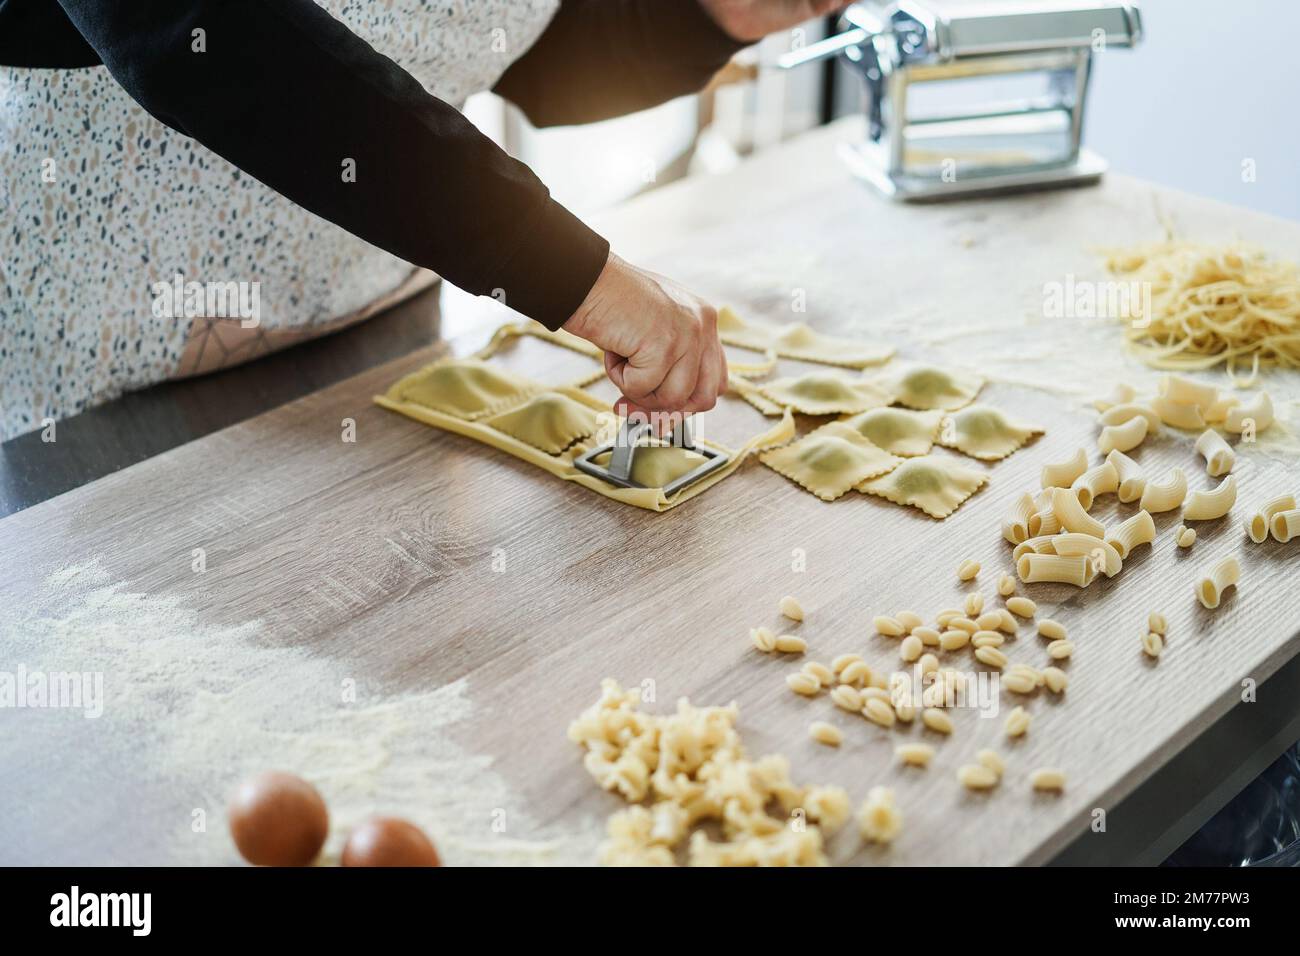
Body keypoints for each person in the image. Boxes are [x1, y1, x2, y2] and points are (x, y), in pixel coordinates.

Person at [0, 0, 845, 439]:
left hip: (373, 329)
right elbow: (206, 36)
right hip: (101, 375)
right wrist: (570, 272)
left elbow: (509, 46)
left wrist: (703, 18)